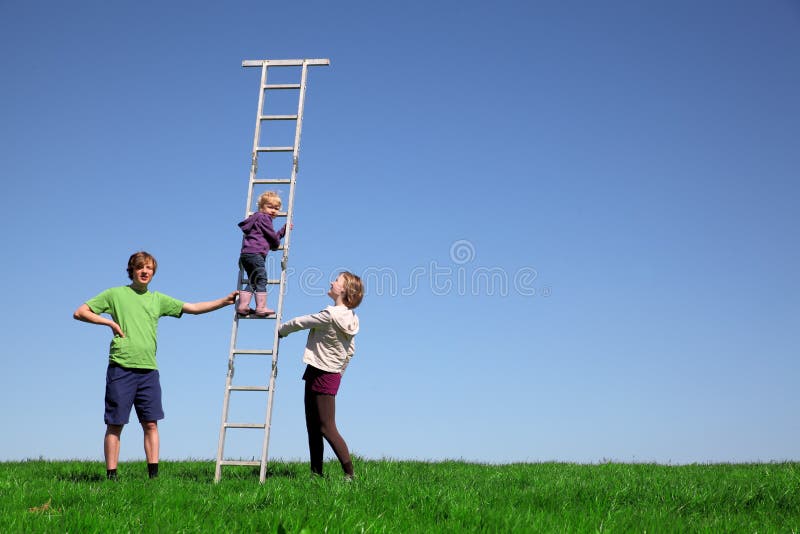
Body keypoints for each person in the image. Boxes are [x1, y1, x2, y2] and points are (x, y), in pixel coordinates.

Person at [73, 251, 236, 480]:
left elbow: (193, 308)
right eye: (140, 267)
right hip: (121, 367)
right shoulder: (115, 294)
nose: (145, 271)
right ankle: (111, 476)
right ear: (132, 270)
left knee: (151, 423)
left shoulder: (157, 299)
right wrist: (108, 322)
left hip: (149, 370)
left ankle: (153, 478)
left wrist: (224, 302)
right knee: (115, 423)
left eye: (149, 268)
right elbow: (80, 312)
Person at [278, 272, 364, 480]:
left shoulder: (330, 315)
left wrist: (281, 330)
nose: (332, 282)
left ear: (343, 290)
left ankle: (350, 474)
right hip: (321, 372)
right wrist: (339, 373)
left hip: (323, 373)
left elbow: (301, 322)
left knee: (326, 427)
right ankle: (316, 474)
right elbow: (350, 351)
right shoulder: (351, 318)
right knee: (313, 426)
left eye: (336, 280)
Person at [237, 191, 287, 317]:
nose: (273, 211)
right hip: (255, 255)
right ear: (261, 207)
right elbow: (272, 238)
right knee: (262, 279)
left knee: (253, 280)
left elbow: (267, 236)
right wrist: (278, 240)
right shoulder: (264, 218)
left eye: (276, 208)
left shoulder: (255, 218)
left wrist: (281, 232)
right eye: (270, 207)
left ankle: (243, 306)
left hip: (246, 255)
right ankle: (261, 307)